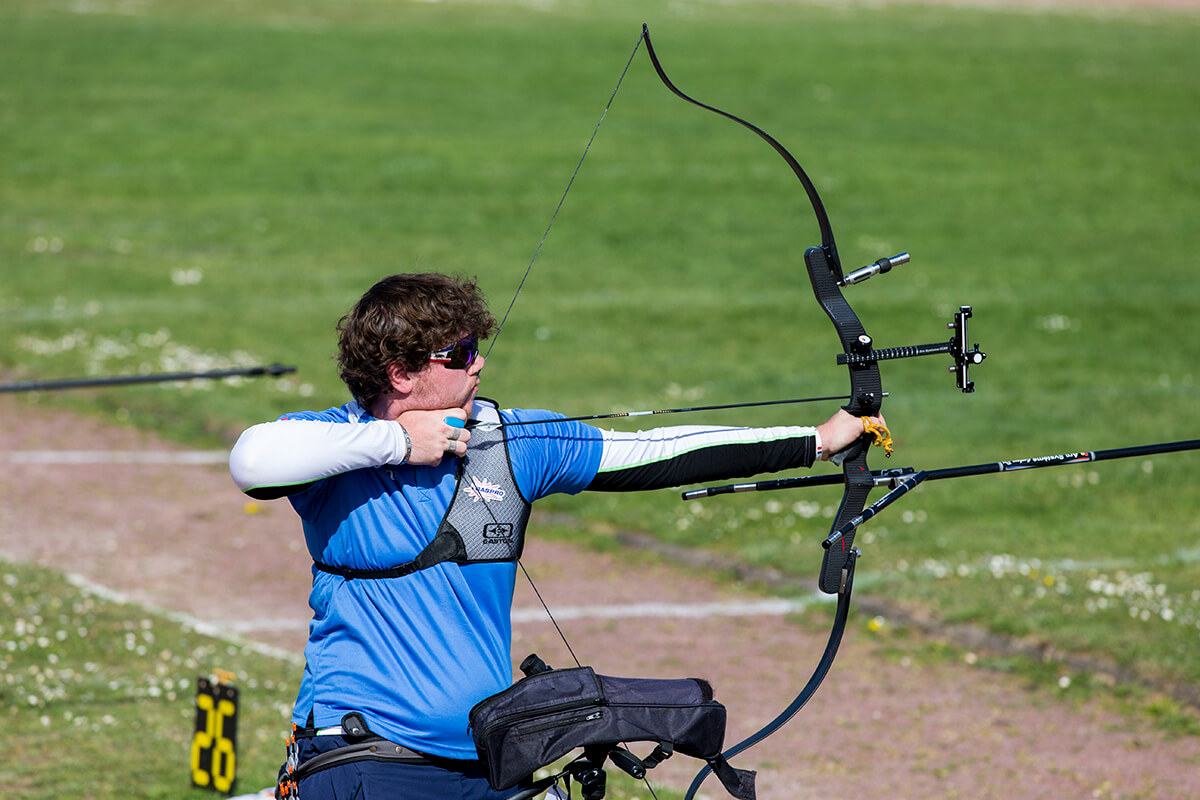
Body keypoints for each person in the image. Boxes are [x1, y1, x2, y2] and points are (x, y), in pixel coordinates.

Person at [228, 272, 886, 800]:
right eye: (460, 354)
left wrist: (818, 440)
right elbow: (252, 460)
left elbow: (652, 450)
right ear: (401, 374)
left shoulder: (509, 442)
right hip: (363, 757)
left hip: (487, 760)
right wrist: (398, 441)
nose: (478, 364)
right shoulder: (335, 443)